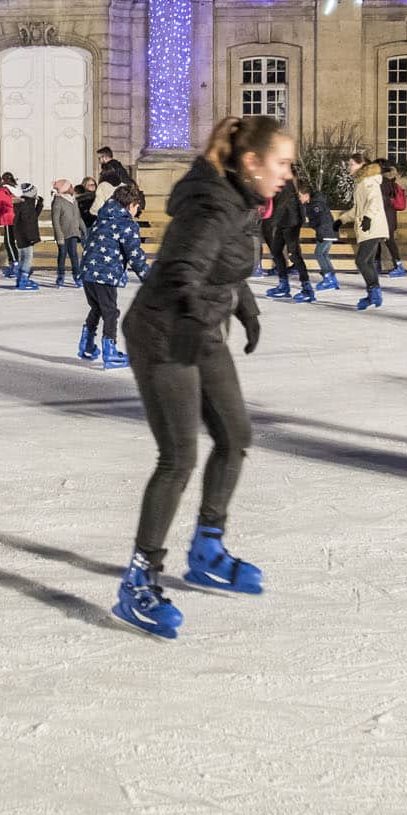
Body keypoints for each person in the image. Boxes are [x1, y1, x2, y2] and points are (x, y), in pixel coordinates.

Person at [112, 115, 288, 640]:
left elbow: (222, 265)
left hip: (200, 325)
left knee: (235, 436)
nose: (287, 173)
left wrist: (246, 309)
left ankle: (207, 549)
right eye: (281, 163)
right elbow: (182, 268)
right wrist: (193, 319)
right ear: (252, 162)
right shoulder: (213, 205)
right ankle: (138, 579)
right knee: (179, 456)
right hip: (165, 330)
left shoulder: (240, 199)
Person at [80, 181, 149, 368]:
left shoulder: (102, 217)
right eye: (137, 207)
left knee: (97, 308)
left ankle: (87, 344)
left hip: (88, 271)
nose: (137, 211)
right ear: (130, 205)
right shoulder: (126, 224)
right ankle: (109, 351)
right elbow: (135, 255)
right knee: (110, 312)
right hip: (105, 273)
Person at [346, 152, 389, 311]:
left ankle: (374, 293)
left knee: (362, 261)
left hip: (373, 227)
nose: (349, 167)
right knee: (368, 262)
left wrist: (368, 218)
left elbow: (374, 201)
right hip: (369, 228)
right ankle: (373, 294)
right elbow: (357, 208)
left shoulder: (368, 181)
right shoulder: (362, 182)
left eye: (351, 164)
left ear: (361, 165)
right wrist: (341, 219)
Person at [263, 175, 312, 303]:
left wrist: (270, 222)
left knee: (294, 255)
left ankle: (307, 289)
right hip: (283, 221)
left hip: (291, 222)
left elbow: (281, 204)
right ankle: (284, 285)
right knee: (276, 250)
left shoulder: (285, 182)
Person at [7, 181, 44, 291]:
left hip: (19, 234)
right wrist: (31, 237)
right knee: (27, 257)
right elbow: (28, 221)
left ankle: (20, 279)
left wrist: (39, 205)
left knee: (22, 256)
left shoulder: (22, 203)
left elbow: (33, 217)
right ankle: (24, 279)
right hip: (26, 235)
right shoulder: (27, 204)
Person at [302, 184, 339, 291]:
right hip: (328, 232)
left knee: (319, 253)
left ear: (306, 195)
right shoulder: (312, 204)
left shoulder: (316, 205)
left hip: (326, 233)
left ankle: (328, 279)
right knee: (323, 254)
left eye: (300, 196)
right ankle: (332, 279)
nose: (299, 198)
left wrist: (321, 233)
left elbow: (323, 219)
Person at [50, 178, 86, 287]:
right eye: (70, 186)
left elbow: (78, 217)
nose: (72, 188)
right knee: (62, 254)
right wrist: (59, 235)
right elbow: (55, 220)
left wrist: (84, 230)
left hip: (73, 232)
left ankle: (77, 275)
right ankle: (61, 276)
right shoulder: (58, 201)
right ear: (65, 189)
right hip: (63, 234)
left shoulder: (73, 200)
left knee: (74, 254)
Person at [377, 161, 407, 277]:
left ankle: (397, 266)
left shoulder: (382, 183)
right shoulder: (389, 182)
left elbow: (383, 201)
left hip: (385, 216)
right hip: (389, 216)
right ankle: (381, 265)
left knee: (387, 241)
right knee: (380, 240)